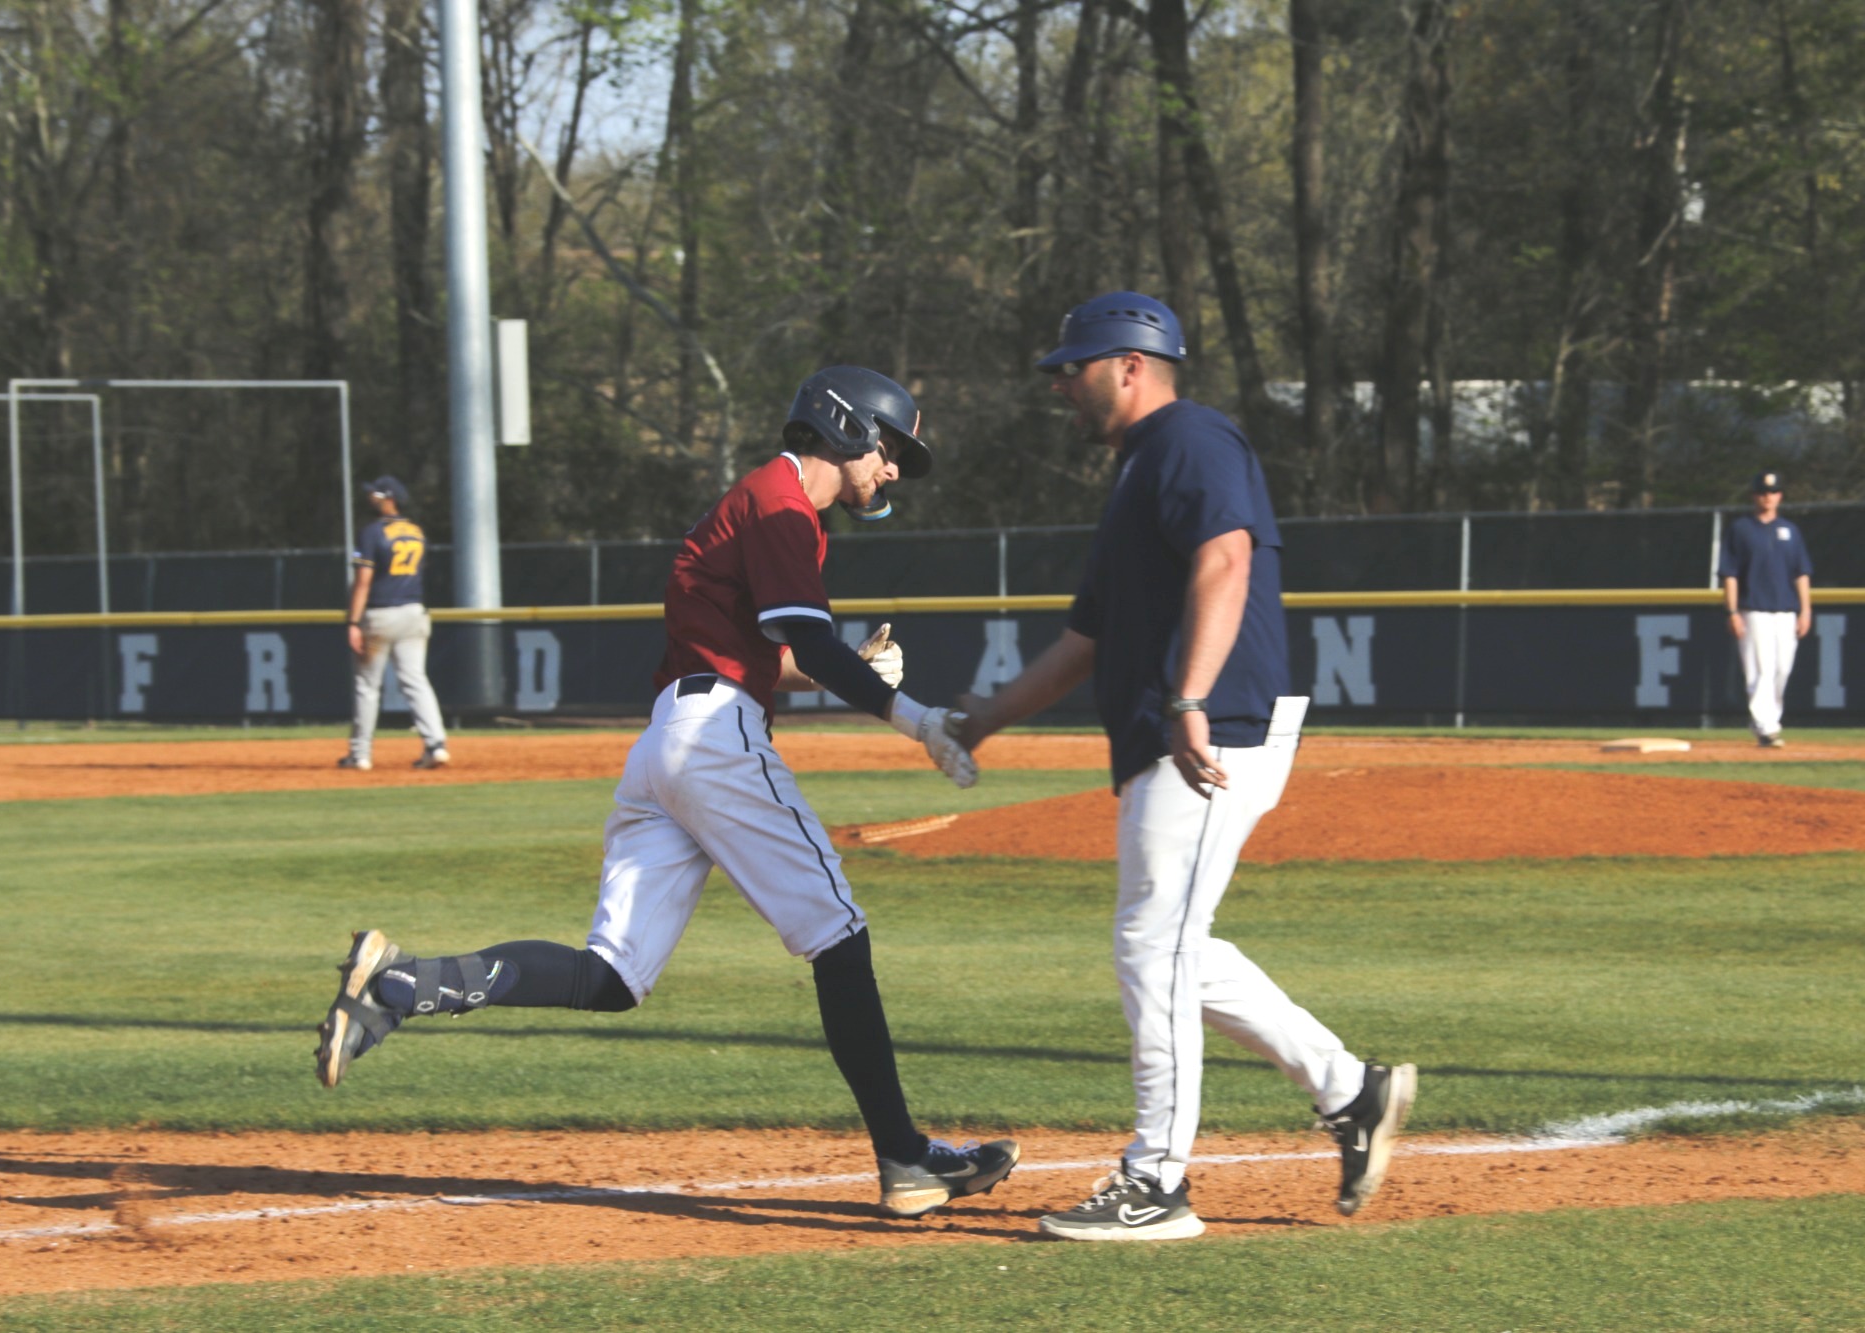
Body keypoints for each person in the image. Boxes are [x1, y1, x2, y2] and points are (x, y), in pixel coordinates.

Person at [315, 367, 1020, 1218]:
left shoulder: (768, 501)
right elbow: (799, 635)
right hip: (716, 739)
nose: (894, 467)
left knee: (611, 974)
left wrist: (851, 670)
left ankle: (400, 984)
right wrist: (913, 719)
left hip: (667, 743)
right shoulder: (783, 500)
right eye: (889, 444)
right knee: (839, 935)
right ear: (841, 427)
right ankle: (906, 1158)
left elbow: (774, 655)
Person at [955, 292, 1416, 1241]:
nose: (1059, 384)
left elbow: (1227, 558)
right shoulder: (1138, 469)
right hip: (1179, 729)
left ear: (1129, 364)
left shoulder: (1191, 439)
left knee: (1151, 946)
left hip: (1212, 730)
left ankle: (1156, 1181)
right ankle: (1351, 1089)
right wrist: (982, 721)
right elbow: (1086, 636)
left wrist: (1191, 697)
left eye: (1072, 366)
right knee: (1172, 949)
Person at [339, 475, 451, 771]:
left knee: (367, 686)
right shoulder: (416, 532)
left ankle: (360, 754)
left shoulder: (373, 533)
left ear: (387, 499)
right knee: (415, 680)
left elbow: (363, 581)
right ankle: (435, 744)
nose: (369, 498)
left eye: (374, 494)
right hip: (414, 613)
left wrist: (352, 621)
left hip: (380, 616)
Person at [1721, 470, 1814, 748]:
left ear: (1780, 496)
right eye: (1762, 492)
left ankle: (1768, 720)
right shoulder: (1741, 529)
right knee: (1760, 669)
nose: (1768, 497)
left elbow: (1801, 573)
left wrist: (1805, 610)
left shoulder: (1790, 530)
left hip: (1786, 610)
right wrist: (1732, 611)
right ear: (1754, 495)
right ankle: (1766, 726)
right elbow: (1729, 573)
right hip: (1754, 609)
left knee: (1782, 669)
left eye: (1773, 492)